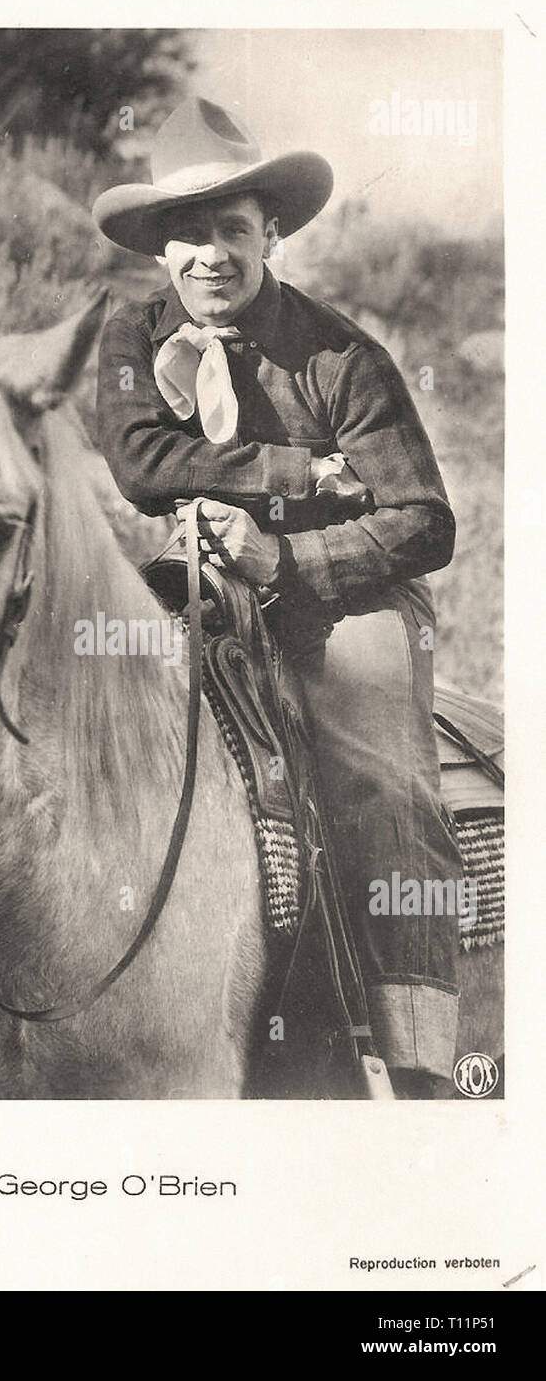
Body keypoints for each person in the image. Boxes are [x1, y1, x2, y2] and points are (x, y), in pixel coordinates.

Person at [92, 97, 464, 1096]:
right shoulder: (130, 335)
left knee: (382, 781)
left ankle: (420, 1055)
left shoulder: (342, 355)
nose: (210, 256)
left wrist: (285, 562)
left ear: (271, 236)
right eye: (188, 234)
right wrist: (301, 475)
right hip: (193, 587)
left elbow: (425, 523)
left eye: (232, 231)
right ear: (158, 248)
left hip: (343, 599)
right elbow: (140, 461)